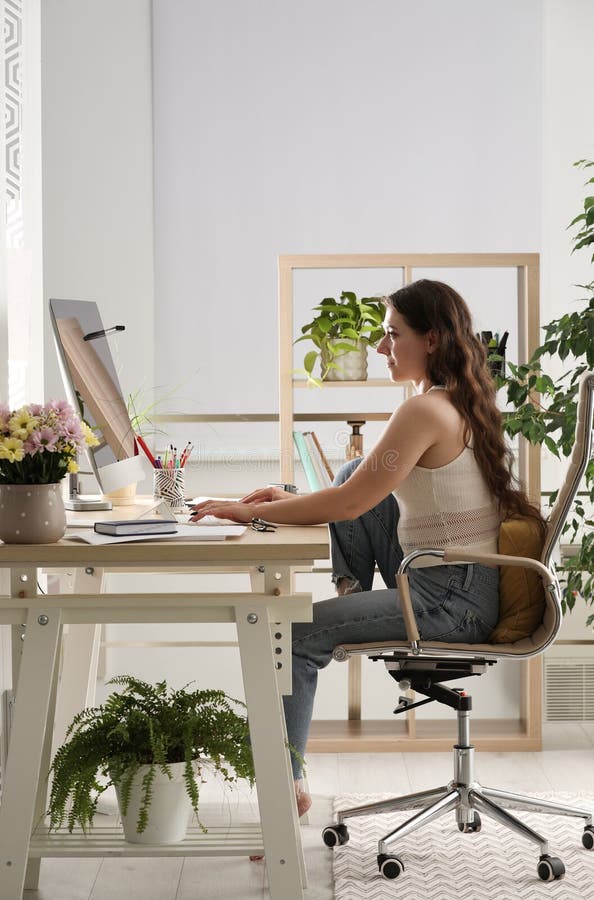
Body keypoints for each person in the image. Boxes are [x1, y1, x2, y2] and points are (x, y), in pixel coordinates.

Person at [190, 278, 543, 819]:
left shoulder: (424, 412)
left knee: (293, 635)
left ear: (430, 339)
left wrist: (248, 512)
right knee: (357, 470)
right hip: (462, 585)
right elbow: (365, 488)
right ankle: (355, 599)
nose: (380, 348)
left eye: (390, 335)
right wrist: (294, 499)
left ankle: (286, 792)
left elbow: (351, 505)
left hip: (450, 600)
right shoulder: (455, 401)